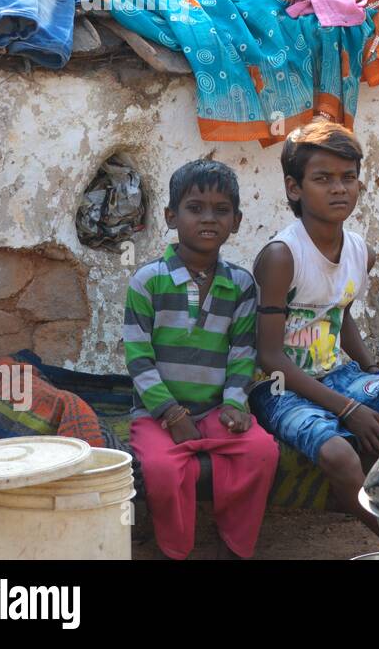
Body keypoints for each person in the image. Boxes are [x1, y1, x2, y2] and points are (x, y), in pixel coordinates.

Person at [250, 118, 379, 530]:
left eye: (348, 178)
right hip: (279, 388)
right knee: (339, 454)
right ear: (295, 188)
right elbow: (269, 355)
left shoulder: (360, 252)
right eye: (322, 178)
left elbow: (339, 316)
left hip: (337, 374)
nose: (339, 188)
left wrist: (371, 370)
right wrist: (348, 408)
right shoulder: (282, 257)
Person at [125, 159, 279, 560]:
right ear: (171, 216)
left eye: (221, 210)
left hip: (214, 410)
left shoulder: (241, 284)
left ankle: (234, 546)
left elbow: (243, 352)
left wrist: (233, 403)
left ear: (238, 220)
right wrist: (172, 414)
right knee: (160, 470)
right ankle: (175, 550)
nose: (208, 219)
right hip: (158, 413)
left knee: (261, 452)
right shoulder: (148, 281)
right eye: (195, 208)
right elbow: (138, 356)